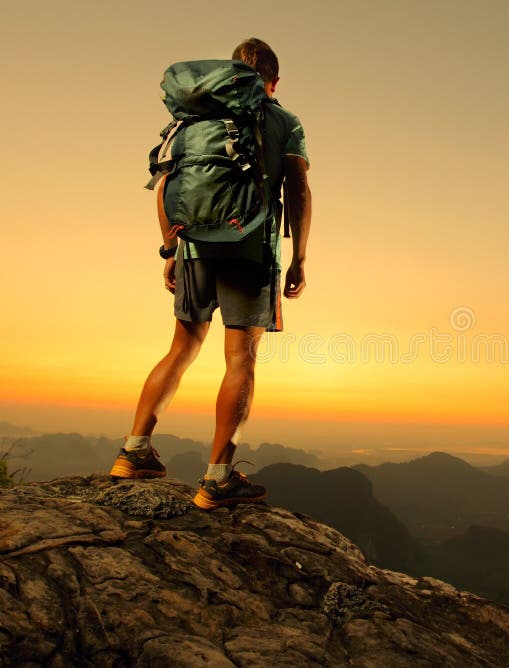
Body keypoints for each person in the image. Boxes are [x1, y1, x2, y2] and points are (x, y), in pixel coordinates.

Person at [109, 38, 312, 510]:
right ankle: (218, 478)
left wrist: (170, 249)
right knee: (240, 360)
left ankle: (134, 451)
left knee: (181, 348)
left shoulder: (192, 120)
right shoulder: (284, 121)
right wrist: (299, 258)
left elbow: (165, 185)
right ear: (273, 81)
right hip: (252, 250)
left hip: (193, 248)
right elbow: (299, 189)